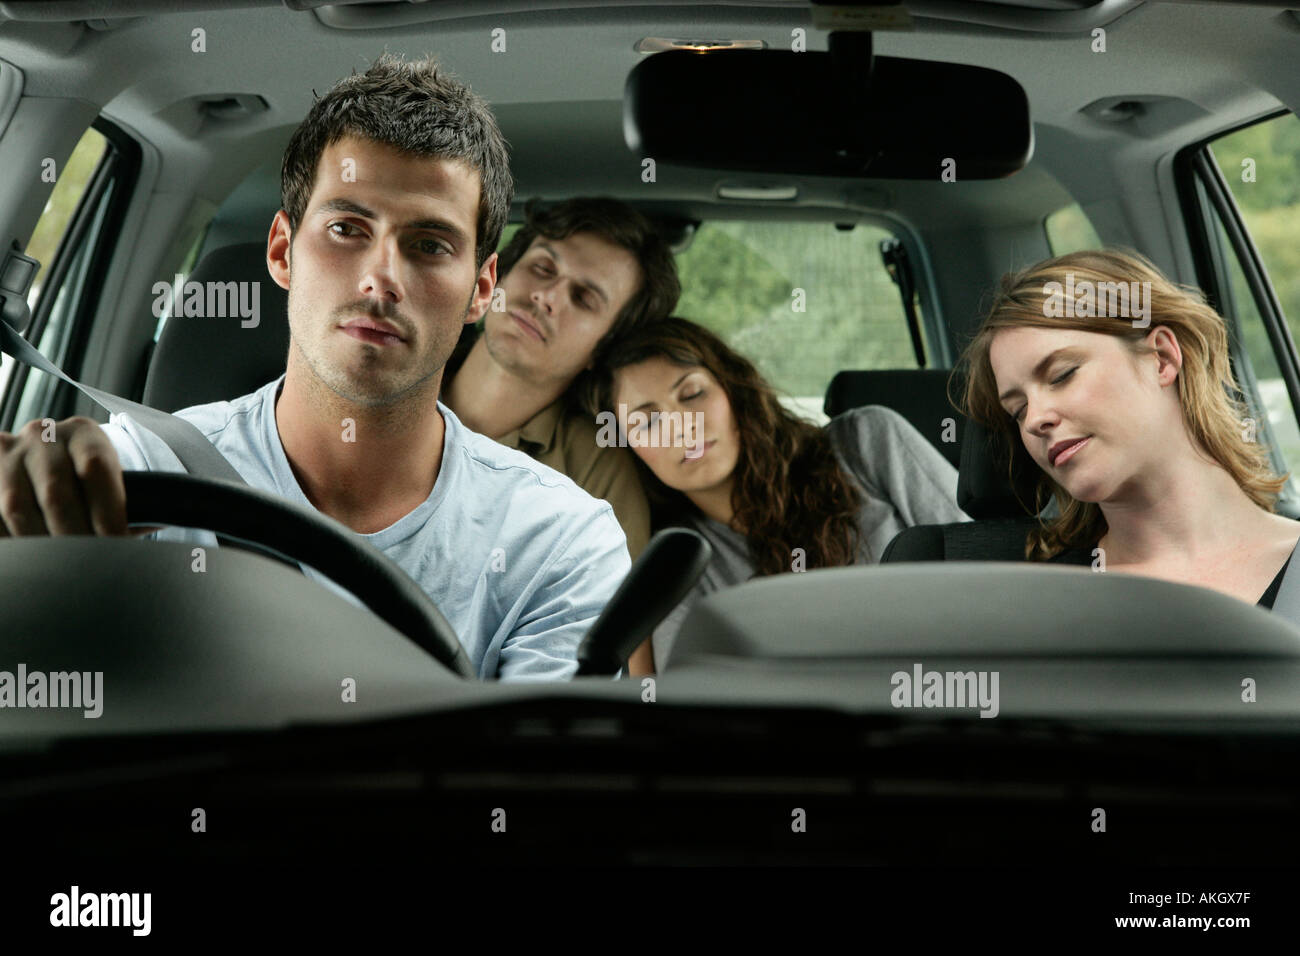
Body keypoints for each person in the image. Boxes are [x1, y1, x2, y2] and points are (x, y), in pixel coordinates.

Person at [0, 54, 631, 681]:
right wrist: (31, 492)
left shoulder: (558, 543)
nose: (380, 278)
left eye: (430, 245)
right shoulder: (132, 474)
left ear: (480, 290)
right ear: (282, 251)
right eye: (347, 228)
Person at [586, 316, 969, 672]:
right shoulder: (678, 561)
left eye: (692, 394)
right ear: (627, 449)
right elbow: (690, 704)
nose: (682, 427)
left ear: (732, 390)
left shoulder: (866, 442)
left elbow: (984, 571)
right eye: (648, 421)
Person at [960, 248, 1300, 611]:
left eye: (1062, 374)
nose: (1034, 420)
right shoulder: (1029, 606)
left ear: (1162, 359)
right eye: (1017, 410)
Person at [441, 197, 680, 561]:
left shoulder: (597, 475)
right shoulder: (391, 382)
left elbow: (610, 617)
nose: (545, 296)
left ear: (602, 349)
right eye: (543, 267)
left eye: (584, 298)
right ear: (496, 276)